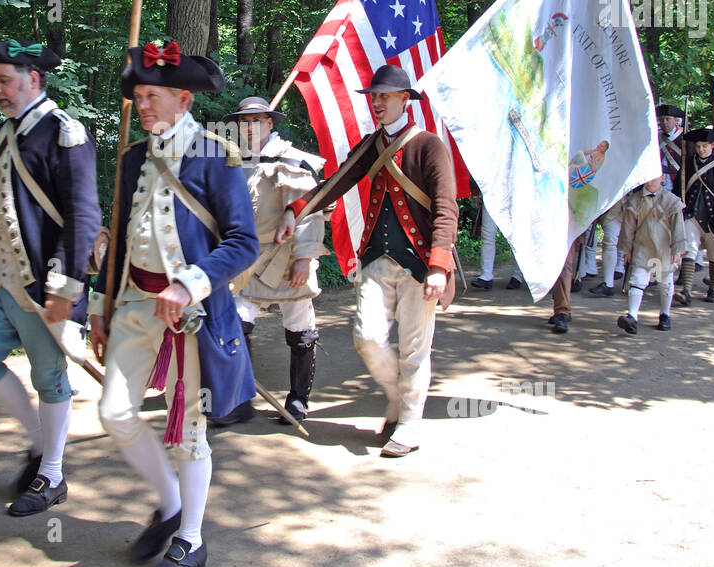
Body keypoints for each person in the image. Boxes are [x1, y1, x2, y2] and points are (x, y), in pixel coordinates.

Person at [89, 41, 258, 567]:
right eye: (139, 96)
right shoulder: (132, 158)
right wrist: (100, 304)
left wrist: (190, 283)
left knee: (187, 432)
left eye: (154, 96)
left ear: (183, 99)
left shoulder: (217, 154)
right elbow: (117, 240)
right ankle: (170, 503)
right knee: (114, 413)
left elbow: (243, 242)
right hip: (135, 304)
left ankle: (190, 537)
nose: (143, 105)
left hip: (190, 315)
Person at [276, 65, 458, 458]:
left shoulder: (429, 146)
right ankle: (399, 400)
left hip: (420, 264)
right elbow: (337, 181)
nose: (376, 103)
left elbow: (446, 209)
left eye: (384, 96)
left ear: (404, 100)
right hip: (377, 259)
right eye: (373, 97)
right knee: (368, 338)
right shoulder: (372, 144)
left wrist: (440, 266)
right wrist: (296, 210)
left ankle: (408, 423)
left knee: (413, 349)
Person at [0, 40, 101, 516]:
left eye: (5, 80)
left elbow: (81, 216)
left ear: (33, 79)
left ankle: (52, 475)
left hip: (42, 283)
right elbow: (1, 197)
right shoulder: (5, 131)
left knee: (49, 379)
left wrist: (66, 286)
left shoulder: (65, 133)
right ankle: (39, 444)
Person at [224, 96, 327, 425]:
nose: (250, 126)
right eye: (245, 121)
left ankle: (298, 400)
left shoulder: (292, 160)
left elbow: (308, 214)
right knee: (236, 324)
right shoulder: (234, 160)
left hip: (287, 257)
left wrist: (305, 258)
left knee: (299, 330)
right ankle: (239, 398)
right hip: (248, 259)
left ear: (270, 123)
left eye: (257, 120)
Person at [616, 176, 688, 333]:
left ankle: (665, 314)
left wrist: (677, 249)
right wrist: (627, 248)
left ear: (662, 178)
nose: (650, 181)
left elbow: (678, 227)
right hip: (642, 247)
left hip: (662, 249)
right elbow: (628, 227)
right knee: (637, 280)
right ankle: (632, 316)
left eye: (655, 177)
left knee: (665, 283)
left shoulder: (671, 201)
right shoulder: (634, 200)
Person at [675, 127, 714, 303]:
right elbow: (680, 188)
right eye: (698, 146)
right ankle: (686, 290)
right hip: (691, 213)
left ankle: (713, 288)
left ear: (713, 145)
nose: (701, 149)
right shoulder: (687, 163)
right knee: (689, 248)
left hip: (713, 215)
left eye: (705, 146)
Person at [473, 190, 523, 290]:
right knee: (487, 234)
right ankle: (486, 276)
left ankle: (518, 275)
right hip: (491, 192)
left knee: (517, 235)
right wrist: (475, 192)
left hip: (517, 191)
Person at [655, 103, 686, 193]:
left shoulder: (685, 139)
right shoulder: (654, 138)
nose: (664, 122)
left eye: (668, 119)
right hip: (659, 179)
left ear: (675, 120)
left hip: (678, 179)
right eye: (661, 119)